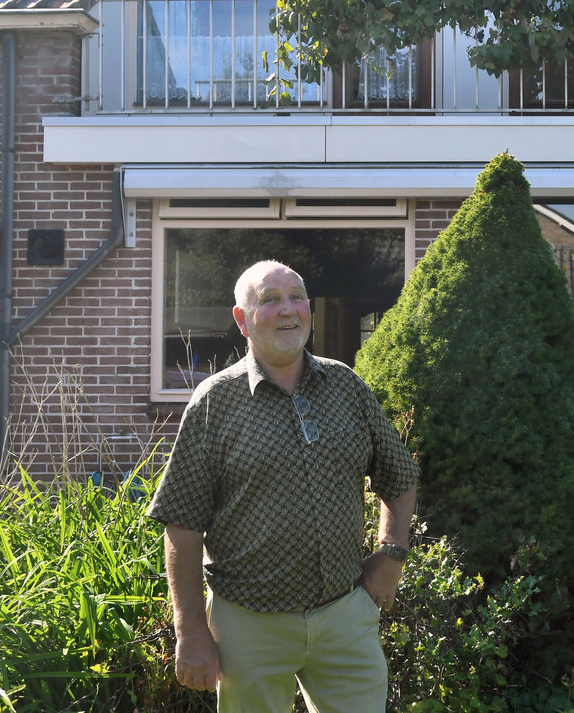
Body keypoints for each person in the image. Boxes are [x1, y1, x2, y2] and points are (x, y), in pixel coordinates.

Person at [147, 260, 418, 713]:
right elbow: (181, 523)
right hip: (248, 627)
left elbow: (400, 476)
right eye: (270, 300)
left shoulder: (346, 386)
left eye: (296, 297)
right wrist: (190, 630)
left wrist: (391, 554)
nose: (288, 309)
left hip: (344, 617)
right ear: (242, 319)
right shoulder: (215, 402)